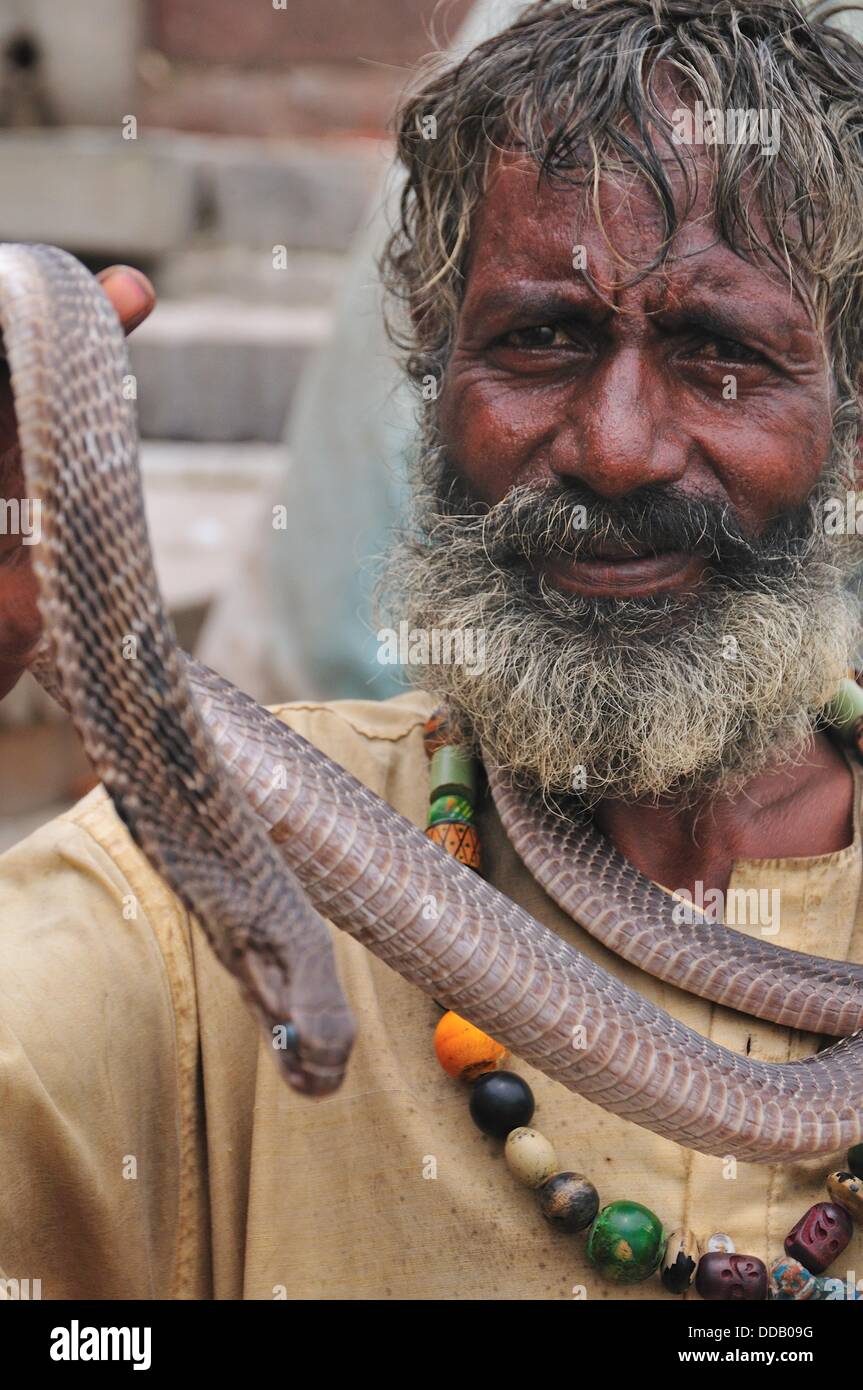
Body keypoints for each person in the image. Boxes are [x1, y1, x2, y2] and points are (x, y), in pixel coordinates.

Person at [1, 0, 863, 1300]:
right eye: (541, 339)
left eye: (722, 358)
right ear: (435, 390)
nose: (616, 447)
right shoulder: (185, 879)